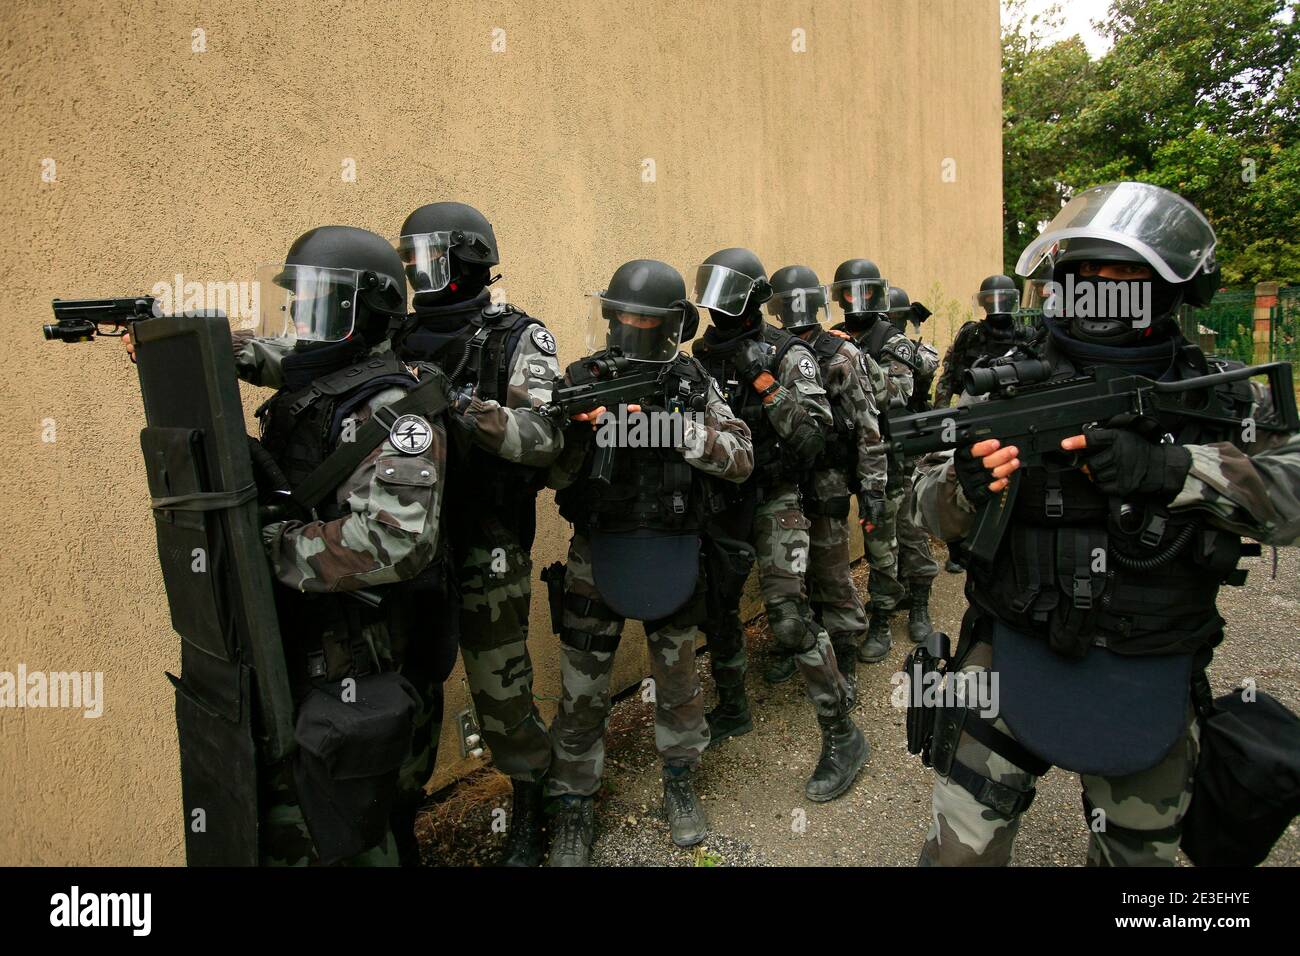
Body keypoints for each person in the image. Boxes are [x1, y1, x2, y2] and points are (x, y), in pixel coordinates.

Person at [909, 182, 1300, 866]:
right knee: (957, 855)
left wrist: (1174, 470)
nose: (1100, 294)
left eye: (1123, 278)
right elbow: (923, 508)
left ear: (1171, 291)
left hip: (1148, 662)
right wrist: (962, 487)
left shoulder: (1223, 394)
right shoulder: (1007, 385)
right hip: (1010, 645)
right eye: (1085, 275)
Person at [224, 225, 453, 865]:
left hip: (360, 648)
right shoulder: (325, 377)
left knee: (346, 817)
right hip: (311, 633)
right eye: (296, 296)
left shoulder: (393, 407)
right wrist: (186, 338)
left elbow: (394, 542)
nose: (299, 313)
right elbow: (269, 353)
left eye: (317, 300)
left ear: (365, 312)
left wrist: (268, 547)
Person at [542, 259, 754, 866]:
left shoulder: (691, 381)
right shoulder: (585, 377)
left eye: (641, 319)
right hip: (598, 549)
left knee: (679, 681)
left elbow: (740, 457)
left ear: (668, 326)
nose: (627, 328)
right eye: (619, 316)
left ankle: (680, 780)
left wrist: (668, 429)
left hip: (673, 544)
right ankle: (574, 802)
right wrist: (577, 432)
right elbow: (552, 474)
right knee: (582, 689)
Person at [389, 202, 563, 865]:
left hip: (487, 537)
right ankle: (400, 823)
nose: (417, 272)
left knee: (501, 687)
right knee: (409, 687)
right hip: (409, 539)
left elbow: (544, 436)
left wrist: (465, 409)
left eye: (427, 258)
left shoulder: (518, 336)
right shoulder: (397, 335)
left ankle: (531, 802)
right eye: (409, 260)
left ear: (466, 259)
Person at [691, 247, 870, 803]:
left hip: (776, 496)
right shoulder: (701, 355)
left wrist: (766, 382)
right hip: (724, 499)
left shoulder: (788, 353)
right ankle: (733, 707)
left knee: (790, 618)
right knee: (716, 609)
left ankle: (842, 733)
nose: (717, 309)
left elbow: (812, 438)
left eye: (728, 296)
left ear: (752, 299)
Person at [760, 264, 888, 707]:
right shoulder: (772, 349)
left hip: (827, 478)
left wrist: (873, 490)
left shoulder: (840, 352)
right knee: (790, 571)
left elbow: (868, 426)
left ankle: (844, 654)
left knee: (832, 571)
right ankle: (799, 644)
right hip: (785, 477)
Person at [829, 260, 920, 659]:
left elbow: (897, 394)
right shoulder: (835, 334)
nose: (856, 299)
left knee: (885, 540)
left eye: (864, 290)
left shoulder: (892, 339)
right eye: (849, 292)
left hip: (886, 455)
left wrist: (855, 360)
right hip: (846, 452)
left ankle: (885, 616)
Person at [934, 275, 1038, 573]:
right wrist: (941, 419)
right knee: (962, 476)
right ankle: (958, 545)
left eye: (1002, 299)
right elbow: (949, 375)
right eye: (991, 299)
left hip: (1014, 412)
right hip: (973, 412)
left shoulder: (1028, 334)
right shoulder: (971, 335)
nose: (997, 305)